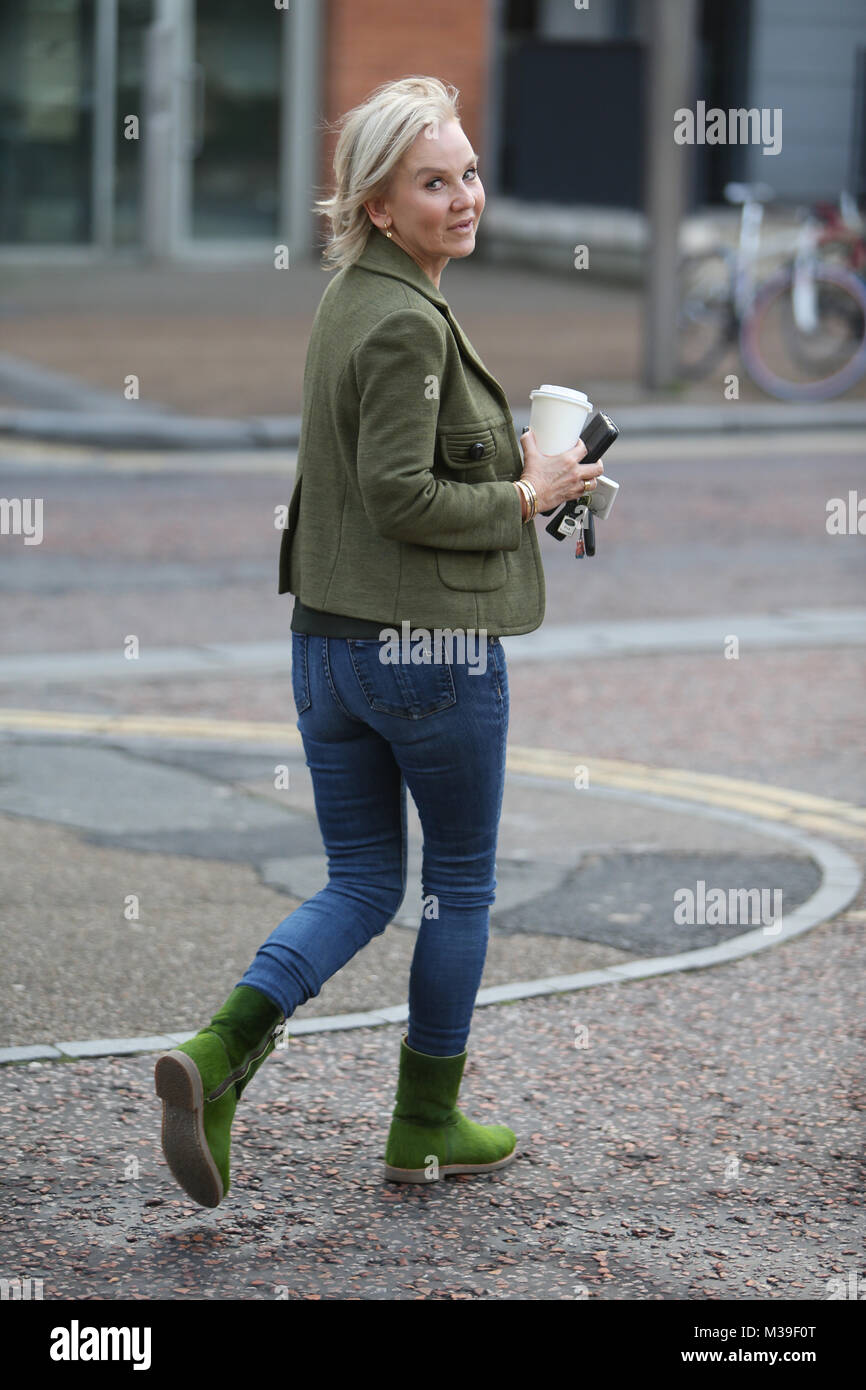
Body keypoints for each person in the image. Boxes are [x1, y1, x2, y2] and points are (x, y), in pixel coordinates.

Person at [154, 75, 602, 1208]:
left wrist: (534, 479)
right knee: (456, 886)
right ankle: (425, 1123)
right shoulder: (405, 317)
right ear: (377, 204)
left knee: (359, 878)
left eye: (465, 172)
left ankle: (217, 1054)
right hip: (428, 656)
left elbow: (376, 477)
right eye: (431, 182)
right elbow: (401, 495)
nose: (462, 197)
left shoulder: (353, 298)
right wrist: (524, 491)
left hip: (328, 650)